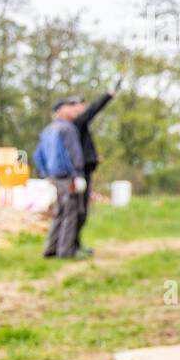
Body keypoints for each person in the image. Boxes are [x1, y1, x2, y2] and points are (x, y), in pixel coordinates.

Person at [68, 76, 121, 247]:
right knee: (78, 211)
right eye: (78, 105)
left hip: (85, 169)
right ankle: (73, 245)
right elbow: (93, 110)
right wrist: (109, 94)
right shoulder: (76, 122)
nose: (82, 107)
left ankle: (76, 244)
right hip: (79, 172)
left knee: (81, 210)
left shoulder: (77, 125)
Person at [33, 100, 87, 259]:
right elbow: (74, 153)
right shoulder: (68, 128)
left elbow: (38, 155)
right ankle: (66, 251)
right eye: (71, 107)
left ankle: (50, 248)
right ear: (62, 110)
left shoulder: (47, 130)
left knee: (59, 212)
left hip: (54, 177)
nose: (75, 110)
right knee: (70, 212)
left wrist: (45, 174)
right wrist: (78, 174)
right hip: (67, 176)